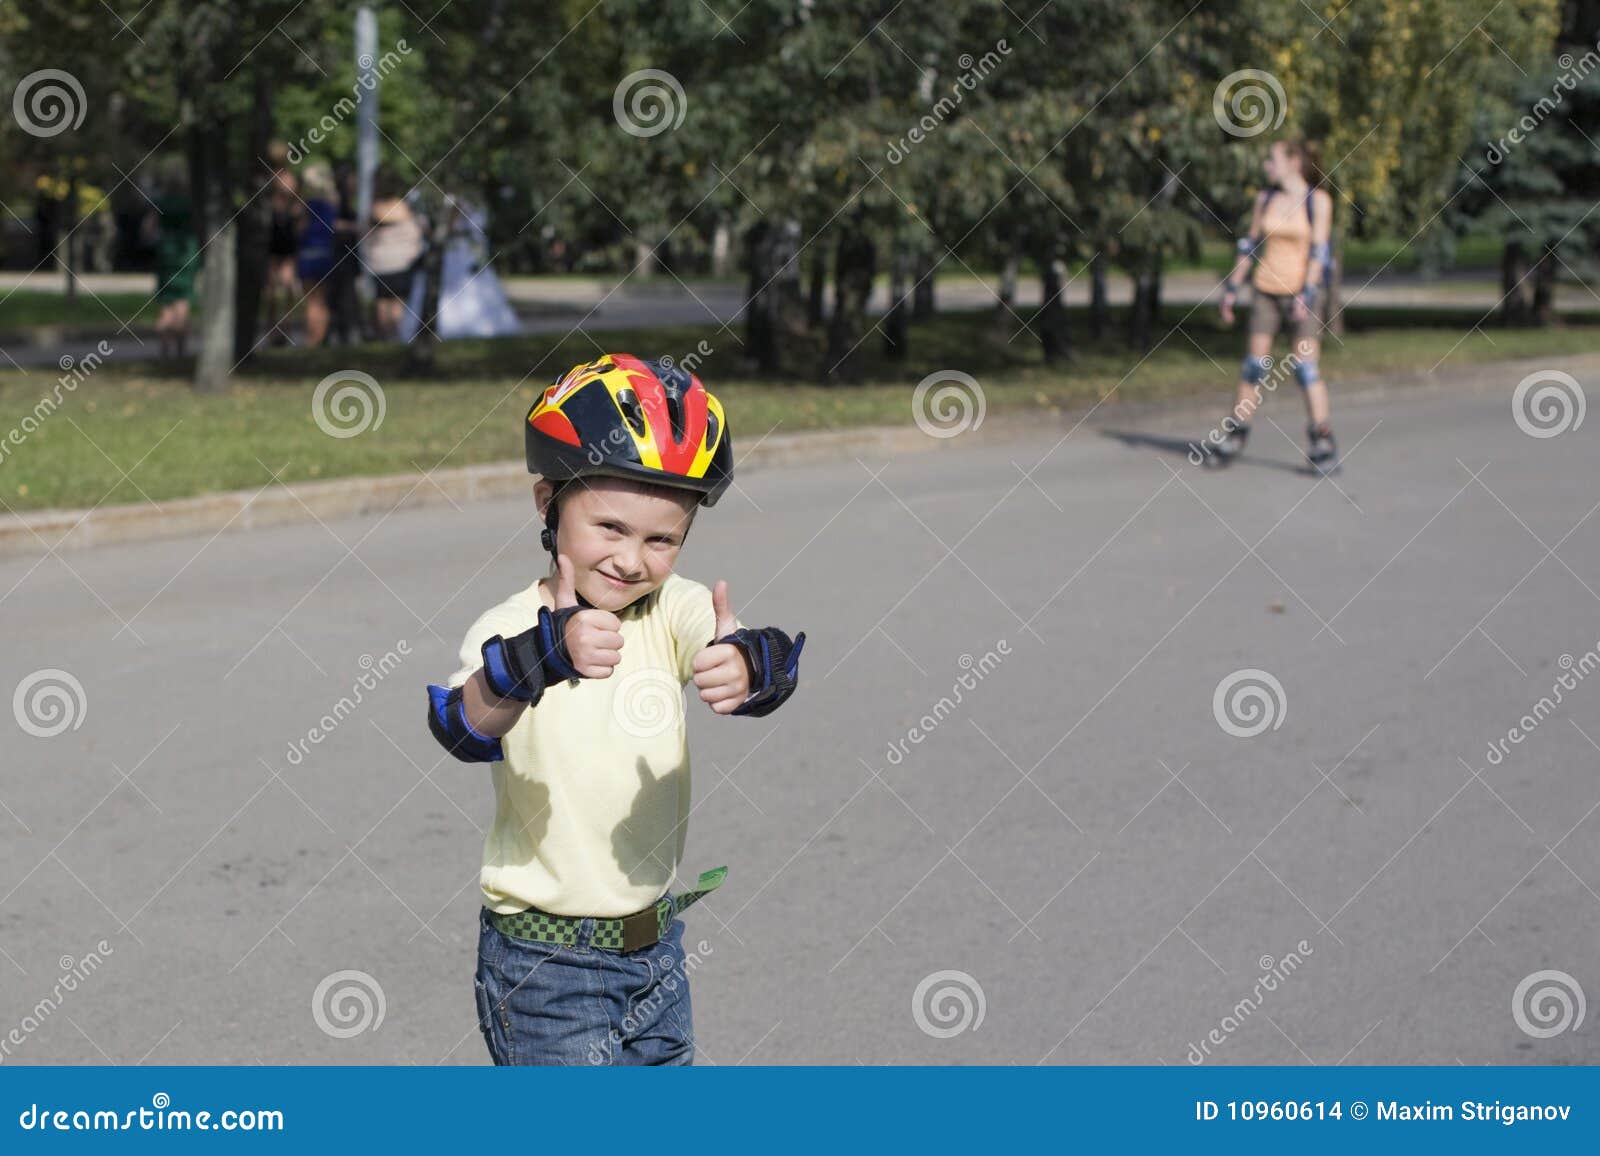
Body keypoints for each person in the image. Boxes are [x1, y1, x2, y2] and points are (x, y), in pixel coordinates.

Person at [425, 354, 806, 1066]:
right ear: (549, 504)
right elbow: (464, 726)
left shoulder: (672, 608)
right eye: (609, 527)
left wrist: (755, 665)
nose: (633, 560)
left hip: (656, 951)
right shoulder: (508, 624)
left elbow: (730, 643)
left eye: (661, 539)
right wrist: (540, 657)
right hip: (545, 967)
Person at [1211, 138, 1338, 473]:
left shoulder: (1318, 201)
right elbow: (1249, 245)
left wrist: (1307, 294)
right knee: (1254, 367)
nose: (1267, 165)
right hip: (1266, 290)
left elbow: (1319, 251)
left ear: (1293, 162)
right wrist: (1231, 289)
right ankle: (1237, 433)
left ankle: (1321, 438)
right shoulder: (1265, 199)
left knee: (1305, 368)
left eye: (1273, 159)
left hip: (1303, 292)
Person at [143, 157, 197, 359]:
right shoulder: (191, 203)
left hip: (166, 253)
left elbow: (149, 229)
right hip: (187, 254)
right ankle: (180, 350)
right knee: (183, 301)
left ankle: (165, 347)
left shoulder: (161, 202)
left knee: (166, 302)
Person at [364, 169, 425, 340]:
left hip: (379, 264)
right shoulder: (403, 208)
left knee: (382, 302)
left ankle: (385, 338)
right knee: (398, 303)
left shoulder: (373, 209)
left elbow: (365, 236)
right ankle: (396, 337)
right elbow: (415, 234)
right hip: (401, 264)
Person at [294, 162, 339, 347]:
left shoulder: (304, 205)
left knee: (312, 301)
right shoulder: (332, 203)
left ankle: (312, 341)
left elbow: (299, 229)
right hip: (326, 253)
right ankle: (319, 339)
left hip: (308, 253)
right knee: (322, 301)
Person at [263, 142, 300, 346]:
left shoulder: (278, 179)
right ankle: (277, 328)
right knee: (278, 286)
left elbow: (294, 205)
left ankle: (279, 329)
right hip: (278, 231)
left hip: (281, 232)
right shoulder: (280, 179)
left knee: (280, 285)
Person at [326, 164, 363, 346]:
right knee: (342, 294)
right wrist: (354, 228)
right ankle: (341, 333)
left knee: (347, 294)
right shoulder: (335, 201)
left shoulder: (349, 201)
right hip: (339, 254)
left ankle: (346, 331)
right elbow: (331, 224)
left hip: (348, 253)